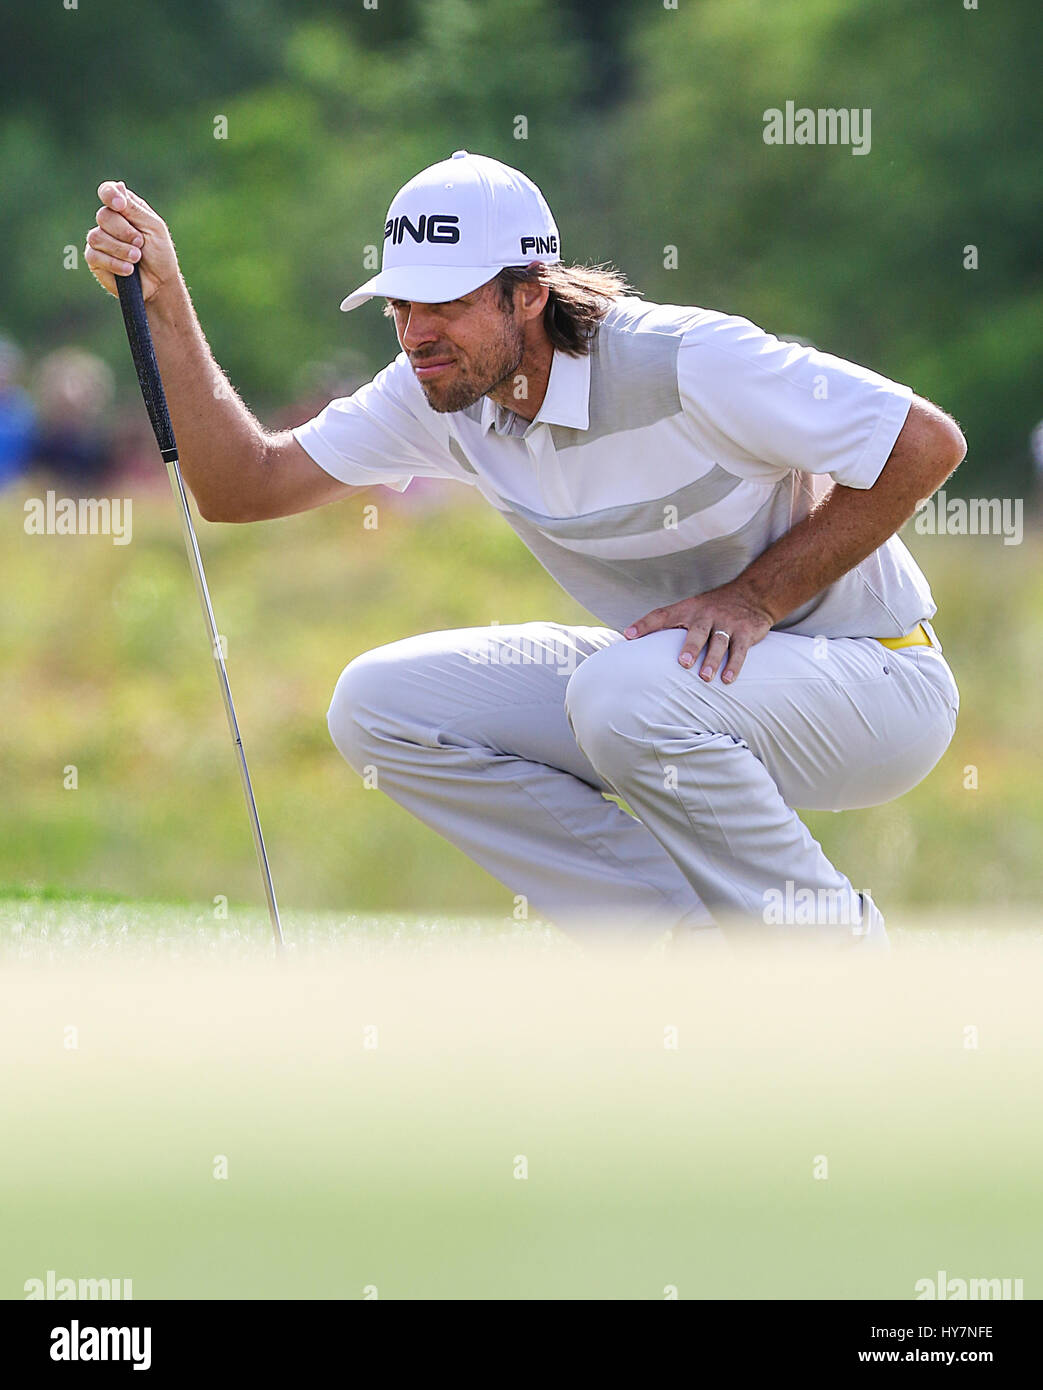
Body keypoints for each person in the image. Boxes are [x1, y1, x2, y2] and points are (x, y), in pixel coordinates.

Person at [85, 153, 965, 946]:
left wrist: (754, 599)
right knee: (382, 707)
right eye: (400, 305)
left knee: (625, 692)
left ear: (529, 292)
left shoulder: (686, 358)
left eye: (446, 304)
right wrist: (165, 303)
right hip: (683, 686)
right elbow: (243, 486)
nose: (415, 332)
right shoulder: (436, 390)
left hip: (876, 683)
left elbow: (925, 442)